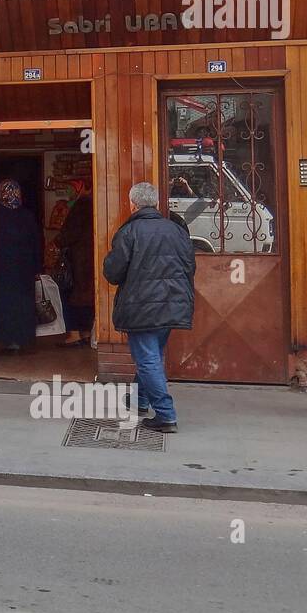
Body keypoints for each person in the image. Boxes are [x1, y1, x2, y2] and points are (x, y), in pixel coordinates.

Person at [101, 182, 195, 432]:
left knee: (148, 359)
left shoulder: (129, 232)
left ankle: (166, 415)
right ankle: (139, 400)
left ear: (132, 204)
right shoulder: (176, 230)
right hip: (172, 304)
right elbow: (190, 267)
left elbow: (113, 272)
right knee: (152, 355)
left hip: (141, 306)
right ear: (155, 203)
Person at [0, 178, 42, 353]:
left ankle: (4, 339)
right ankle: (20, 339)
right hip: (23, 270)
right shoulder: (26, 216)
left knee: (3, 305)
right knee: (21, 305)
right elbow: (36, 243)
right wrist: (37, 267)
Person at [55, 191, 94, 347]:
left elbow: (67, 235)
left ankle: (74, 334)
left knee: (69, 295)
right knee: (89, 298)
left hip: (77, 262)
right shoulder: (95, 205)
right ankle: (86, 332)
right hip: (91, 260)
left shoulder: (81, 206)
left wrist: (57, 241)